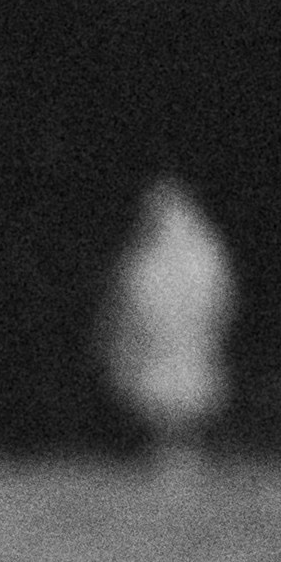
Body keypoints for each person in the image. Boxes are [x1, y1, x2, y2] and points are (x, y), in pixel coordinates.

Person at [100, 174, 235, 462]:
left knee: (178, 417)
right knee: (169, 422)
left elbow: (218, 305)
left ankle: (179, 466)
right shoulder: (156, 254)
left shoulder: (198, 253)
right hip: (164, 355)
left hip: (182, 355)